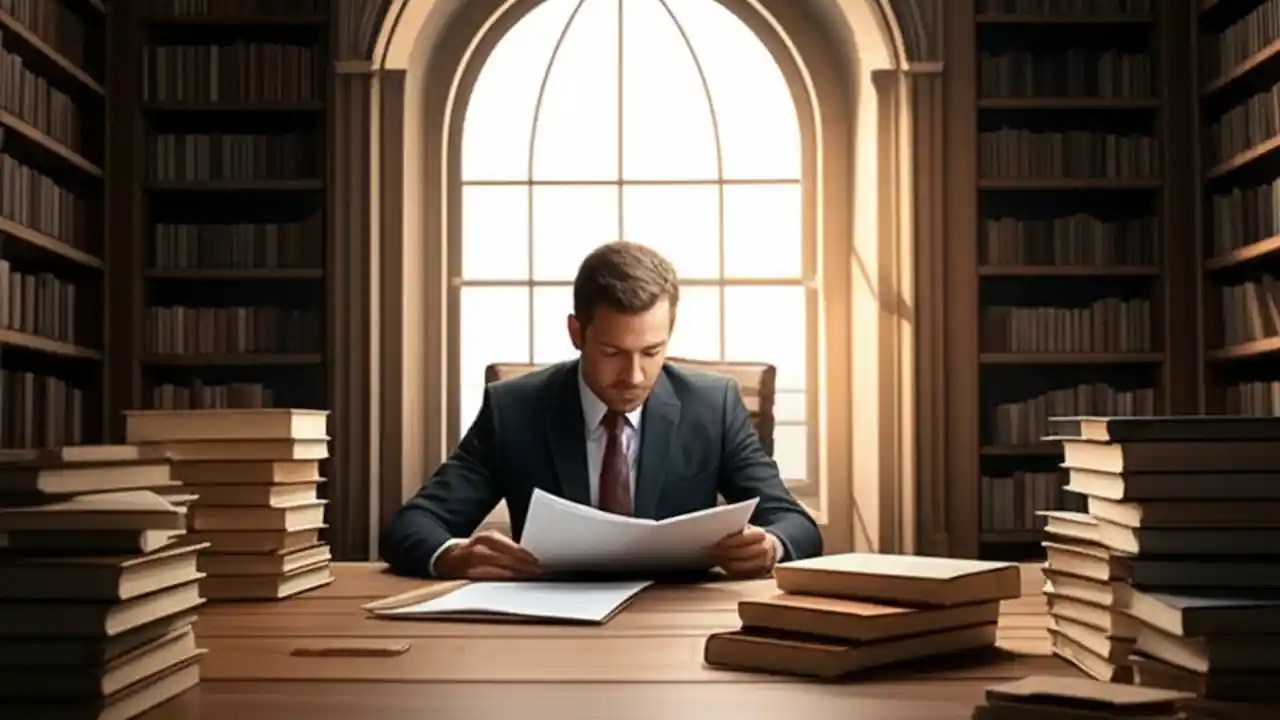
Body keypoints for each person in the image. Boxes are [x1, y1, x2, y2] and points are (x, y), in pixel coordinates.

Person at [379, 241, 823, 579]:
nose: (634, 375)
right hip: (551, 633)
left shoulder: (714, 406)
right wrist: (454, 554)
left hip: (679, 630)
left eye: (652, 351)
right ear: (577, 332)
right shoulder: (514, 410)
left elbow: (797, 525)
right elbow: (411, 527)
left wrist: (771, 545)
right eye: (612, 351)